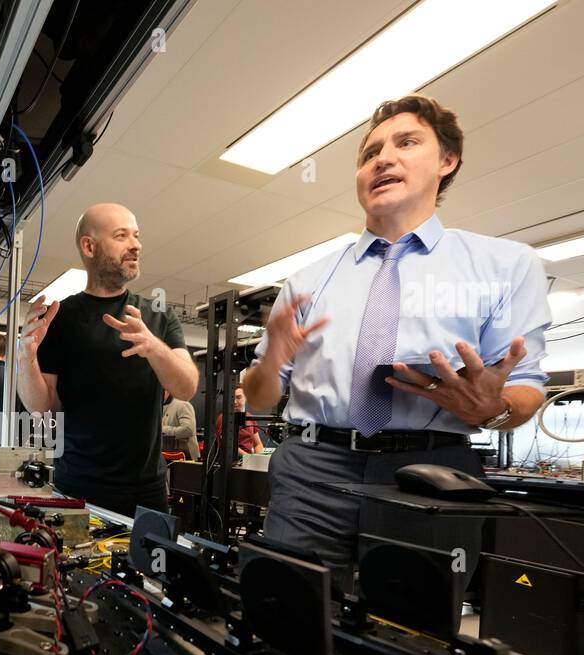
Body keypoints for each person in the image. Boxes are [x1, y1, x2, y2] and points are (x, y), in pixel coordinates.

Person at [243, 95, 551, 582]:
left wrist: (493, 410)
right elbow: (261, 397)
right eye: (369, 154)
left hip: (431, 470)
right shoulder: (307, 280)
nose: (383, 158)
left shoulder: (506, 266)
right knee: (289, 616)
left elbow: (528, 386)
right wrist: (269, 361)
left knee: (414, 636)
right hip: (312, 470)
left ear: (447, 162)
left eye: (407, 143)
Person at [16, 202, 199, 516]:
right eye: (122, 236)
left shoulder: (158, 314)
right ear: (89, 246)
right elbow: (40, 406)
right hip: (76, 488)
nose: (136, 245)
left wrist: (153, 347)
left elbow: (187, 388)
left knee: (148, 567)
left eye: (137, 236)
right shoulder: (60, 317)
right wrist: (26, 358)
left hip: (146, 491)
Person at [217, 386, 264, 457]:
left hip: (248, 460)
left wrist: (258, 458)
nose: (234, 402)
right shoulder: (223, 418)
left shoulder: (249, 417)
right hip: (231, 462)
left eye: (238, 397)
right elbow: (228, 446)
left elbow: (258, 444)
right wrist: (249, 458)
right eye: (232, 398)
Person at [162, 390, 199, 460]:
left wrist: (163, 430)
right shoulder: (160, 406)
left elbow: (189, 430)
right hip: (168, 454)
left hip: (185, 457)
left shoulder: (182, 404)